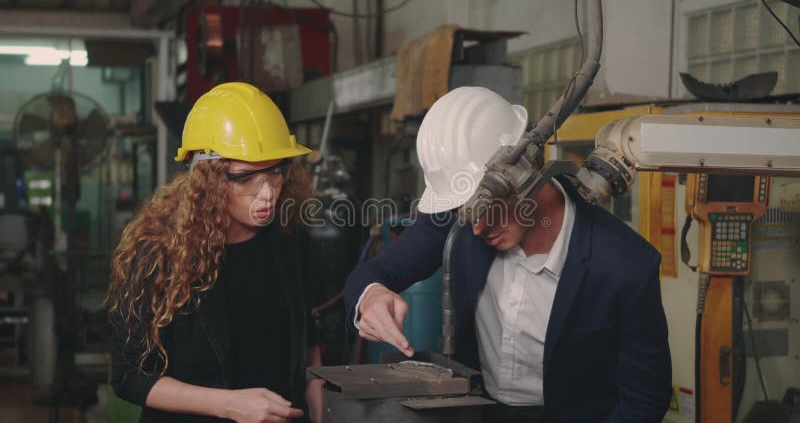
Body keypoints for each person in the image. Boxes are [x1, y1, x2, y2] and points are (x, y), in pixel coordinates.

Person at [344, 87, 672, 423]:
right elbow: (377, 271)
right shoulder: (458, 223)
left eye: (487, 205)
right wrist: (371, 297)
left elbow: (644, 402)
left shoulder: (625, 265)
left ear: (526, 170)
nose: (475, 228)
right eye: (466, 209)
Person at [107, 82, 324, 423]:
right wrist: (229, 405)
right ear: (206, 177)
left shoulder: (289, 240)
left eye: (275, 172)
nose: (267, 192)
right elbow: (128, 375)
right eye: (245, 178)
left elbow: (309, 347)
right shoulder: (161, 255)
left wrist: (319, 410)